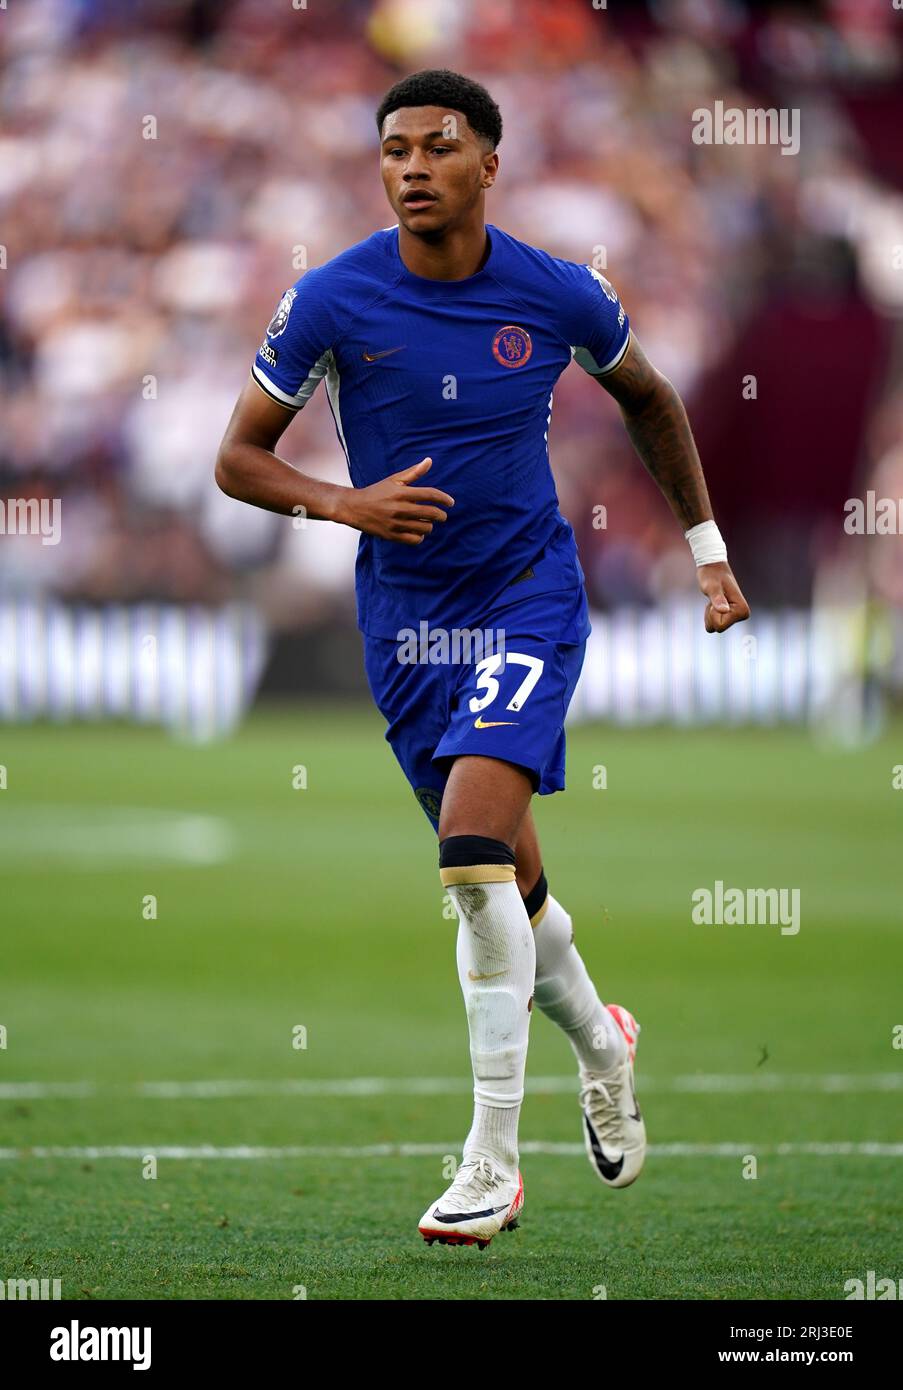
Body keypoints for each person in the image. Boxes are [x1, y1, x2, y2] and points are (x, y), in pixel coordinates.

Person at [215, 68, 750, 1250]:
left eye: (437, 146)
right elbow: (238, 459)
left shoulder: (557, 291)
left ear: (489, 163)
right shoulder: (329, 299)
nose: (411, 167)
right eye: (393, 150)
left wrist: (708, 554)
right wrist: (341, 505)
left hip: (524, 598)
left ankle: (490, 1162)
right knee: (516, 890)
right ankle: (605, 1046)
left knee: (468, 858)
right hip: (405, 626)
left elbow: (653, 401)